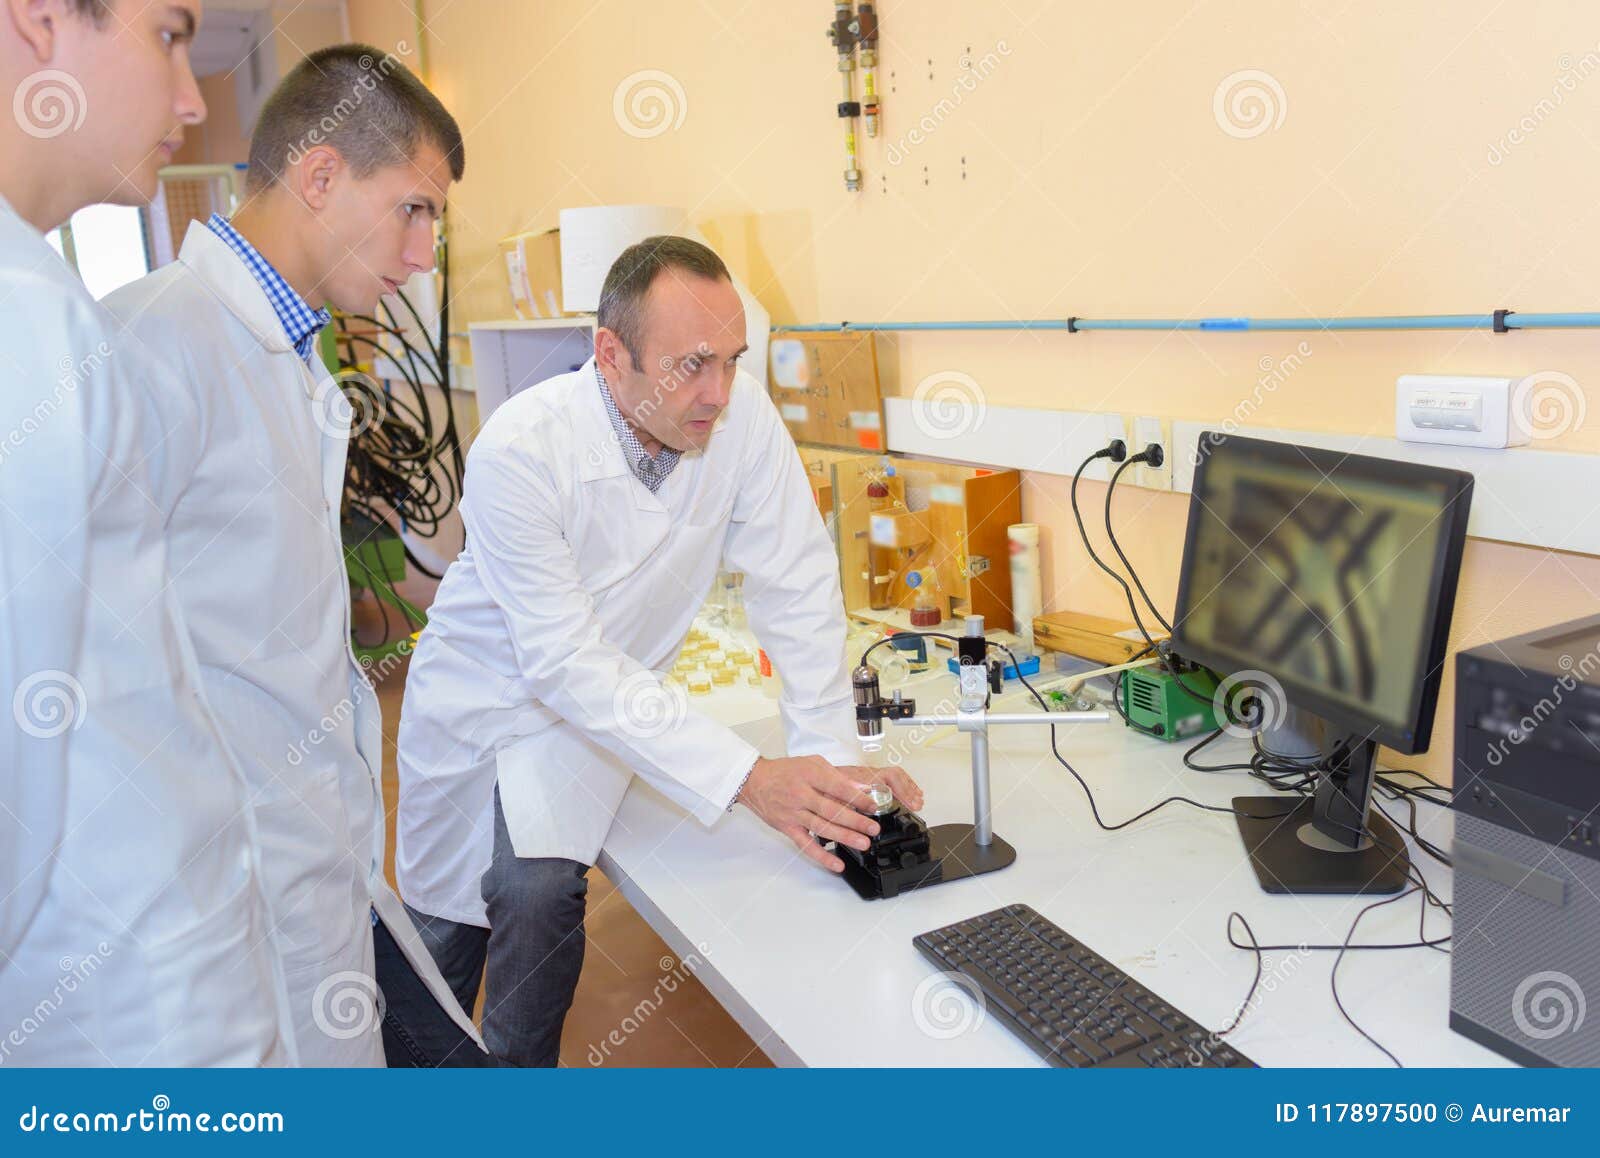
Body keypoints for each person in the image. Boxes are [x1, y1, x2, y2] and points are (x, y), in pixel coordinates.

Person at [396, 235, 924, 1065]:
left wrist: (825, 770)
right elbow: (563, 661)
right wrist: (752, 780)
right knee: (436, 972)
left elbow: (796, 577)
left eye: (734, 360)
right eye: (691, 365)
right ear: (612, 355)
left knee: (539, 897)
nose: (718, 392)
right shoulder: (520, 449)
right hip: (489, 705)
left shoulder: (737, 413)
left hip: (602, 711)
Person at [104, 44, 487, 1066]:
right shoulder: (144, 351)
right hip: (226, 904)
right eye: (413, 209)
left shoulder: (291, 357)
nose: (423, 256)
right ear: (320, 178)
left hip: (315, 867)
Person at [0, 0, 295, 1063]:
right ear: (39, 19)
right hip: (120, 994)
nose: (191, 93)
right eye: (169, 33)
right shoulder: (22, 314)